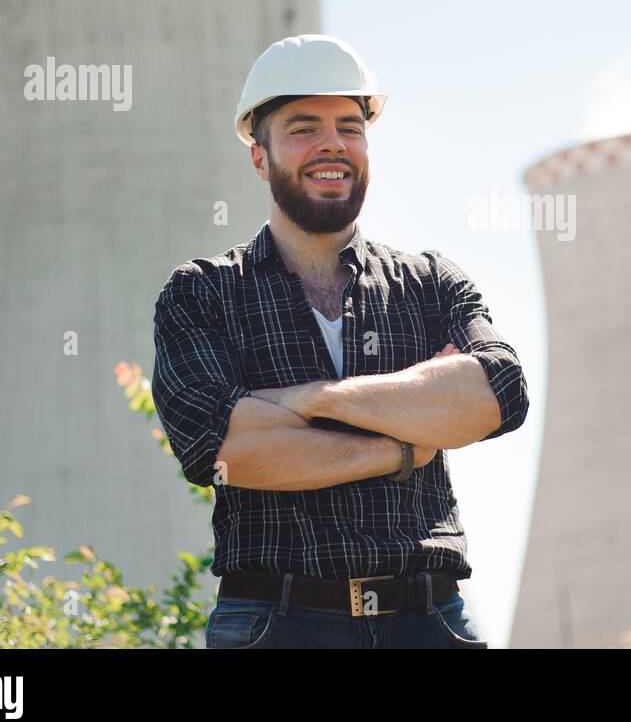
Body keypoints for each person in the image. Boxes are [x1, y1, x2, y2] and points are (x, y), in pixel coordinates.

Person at [151, 35, 528, 648]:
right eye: (304, 128)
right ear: (259, 158)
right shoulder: (203, 293)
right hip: (276, 622)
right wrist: (403, 446)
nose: (333, 144)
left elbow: (497, 395)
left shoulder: (430, 283)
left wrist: (306, 401)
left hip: (430, 620)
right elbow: (223, 451)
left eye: (350, 128)